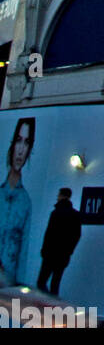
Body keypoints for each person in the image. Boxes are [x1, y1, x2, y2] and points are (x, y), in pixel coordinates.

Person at [0, 116, 34, 284]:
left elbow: (24, 249)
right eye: (18, 141)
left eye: (26, 143)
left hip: (8, 279)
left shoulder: (25, 202)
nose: (21, 150)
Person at [36, 188, 82, 295]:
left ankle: (46, 303)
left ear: (61, 196)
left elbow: (49, 234)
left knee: (41, 282)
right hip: (63, 255)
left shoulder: (55, 213)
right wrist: (69, 251)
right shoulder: (75, 215)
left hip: (50, 253)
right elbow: (77, 235)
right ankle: (53, 307)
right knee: (55, 283)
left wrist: (44, 250)